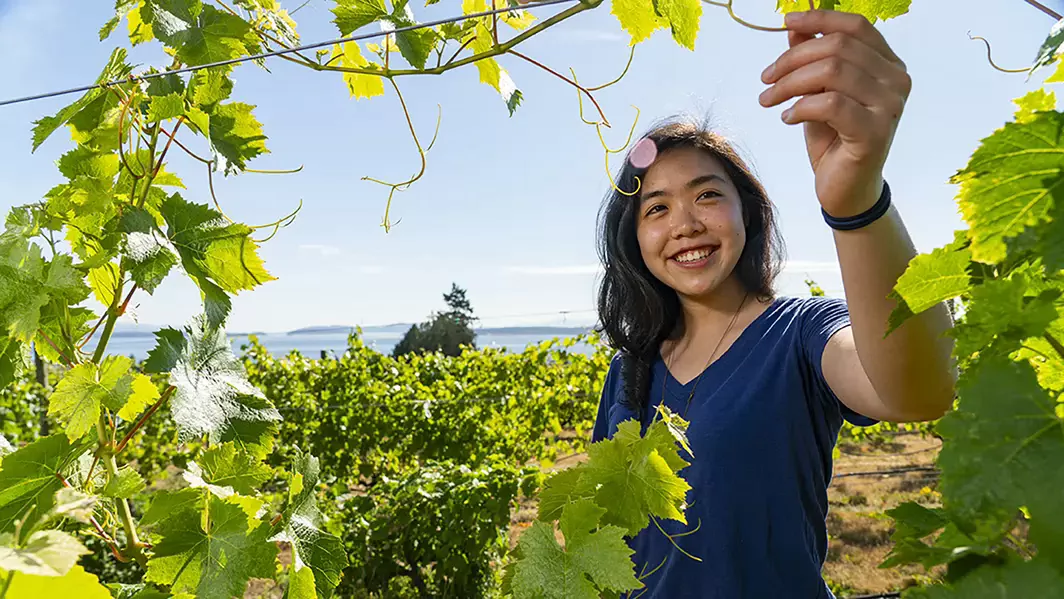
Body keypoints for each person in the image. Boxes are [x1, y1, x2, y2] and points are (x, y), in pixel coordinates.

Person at [590, 10, 956, 599]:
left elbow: (918, 393)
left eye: (708, 196)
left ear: (748, 213)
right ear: (634, 239)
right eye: (656, 208)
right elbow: (608, 526)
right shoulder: (629, 368)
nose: (684, 224)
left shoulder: (802, 333)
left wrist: (856, 200)